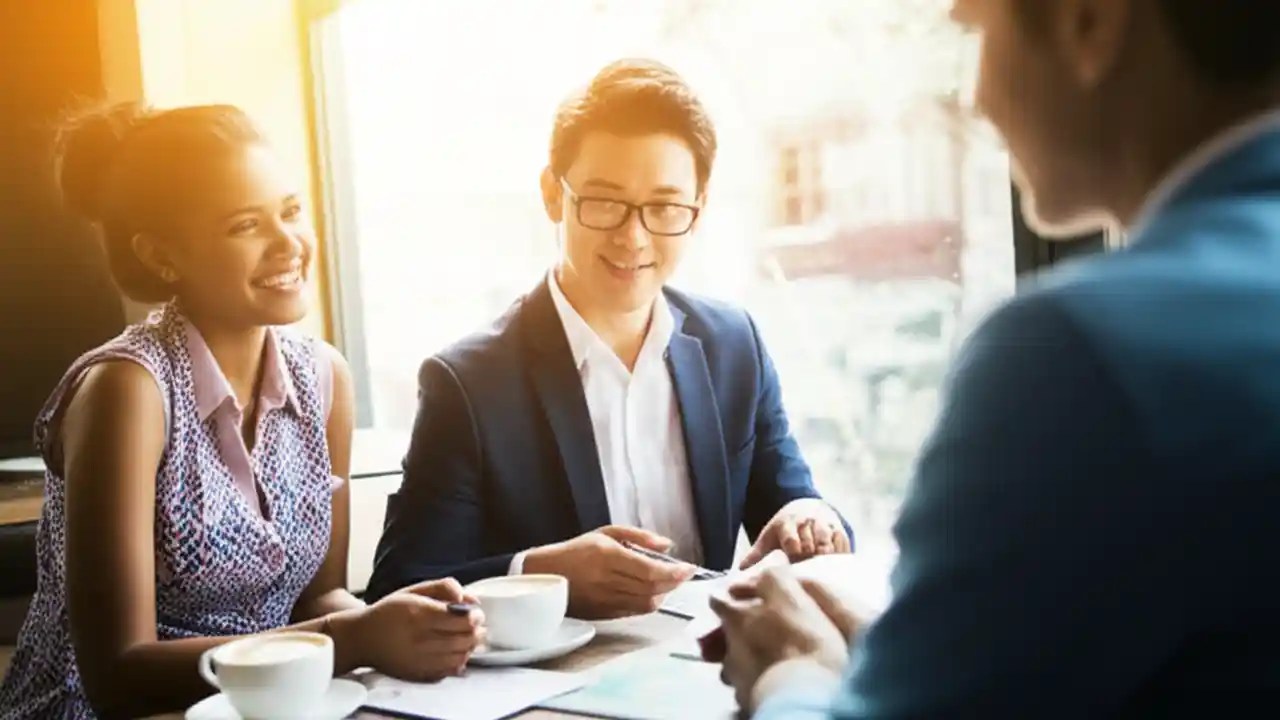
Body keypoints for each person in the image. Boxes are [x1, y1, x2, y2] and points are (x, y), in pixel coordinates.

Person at [712, 0, 1280, 716]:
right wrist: (897, 650)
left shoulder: (1078, 354)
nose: (975, 98)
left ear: (1089, 21)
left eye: (976, 30)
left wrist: (790, 669)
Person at [0, 103, 483, 720]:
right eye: (244, 225)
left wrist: (409, 626)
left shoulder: (323, 377)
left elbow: (317, 599)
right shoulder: (127, 391)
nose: (288, 243)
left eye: (289, 211)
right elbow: (118, 676)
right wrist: (352, 640)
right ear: (161, 255)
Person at [367, 59, 852, 618]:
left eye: (664, 207)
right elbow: (399, 589)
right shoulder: (469, 383)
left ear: (697, 211)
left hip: (710, 671)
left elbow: (795, 503)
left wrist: (809, 520)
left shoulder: (733, 346)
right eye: (604, 202)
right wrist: (544, 573)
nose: (633, 236)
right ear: (554, 194)